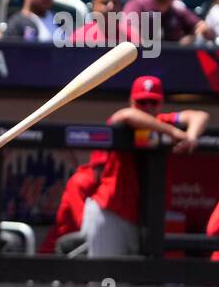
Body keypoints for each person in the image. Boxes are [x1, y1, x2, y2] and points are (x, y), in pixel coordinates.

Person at [80, 76, 210, 258]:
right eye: (142, 102)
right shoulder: (125, 120)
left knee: (137, 281)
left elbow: (200, 115)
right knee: (104, 279)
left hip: (143, 218)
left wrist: (191, 137)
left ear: (161, 103)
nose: (148, 107)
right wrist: (173, 132)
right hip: (110, 213)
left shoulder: (162, 121)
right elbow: (127, 115)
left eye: (153, 102)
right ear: (132, 101)